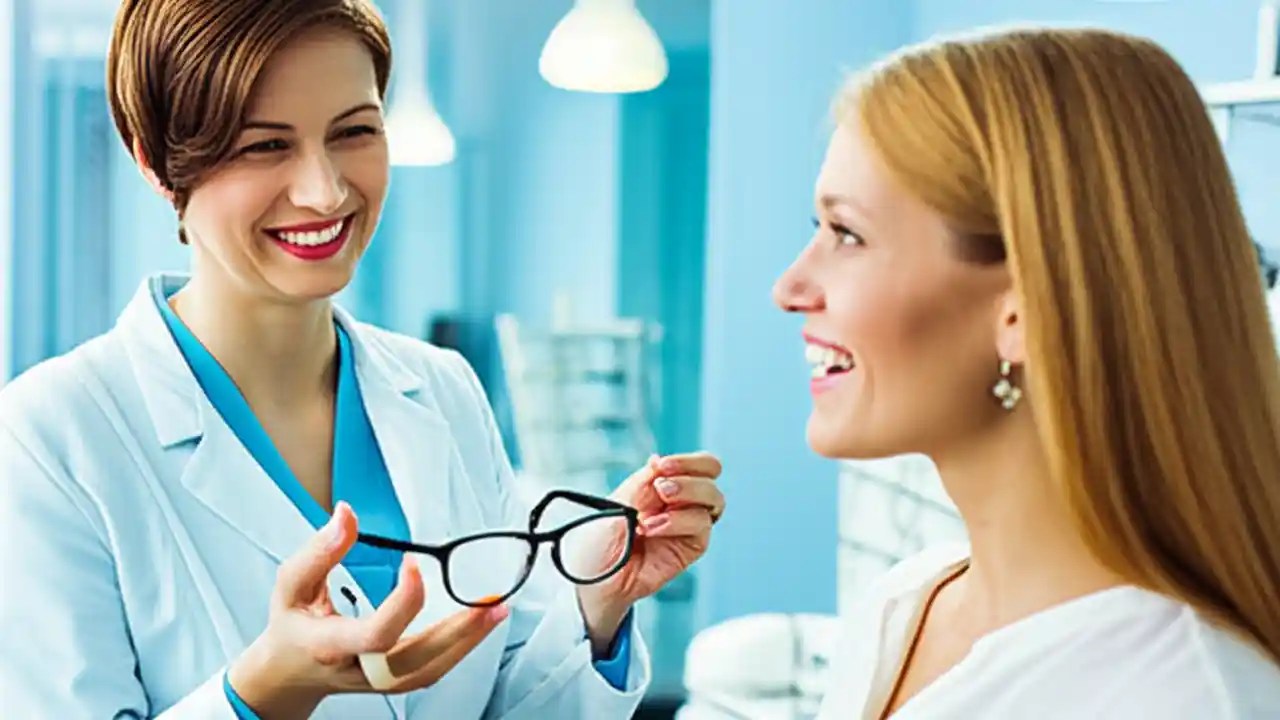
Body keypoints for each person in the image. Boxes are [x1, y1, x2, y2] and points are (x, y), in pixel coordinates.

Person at [0, 0, 726, 717]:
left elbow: (505, 698)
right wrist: (263, 692)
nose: (324, 192)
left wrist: (596, 602)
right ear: (156, 163)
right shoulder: (53, 436)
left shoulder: (443, 388)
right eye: (264, 146)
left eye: (353, 132)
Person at [772, 27, 1280, 719]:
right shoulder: (903, 607)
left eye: (848, 235)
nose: (790, 288)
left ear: (1024, 310)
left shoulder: (1184, 698)